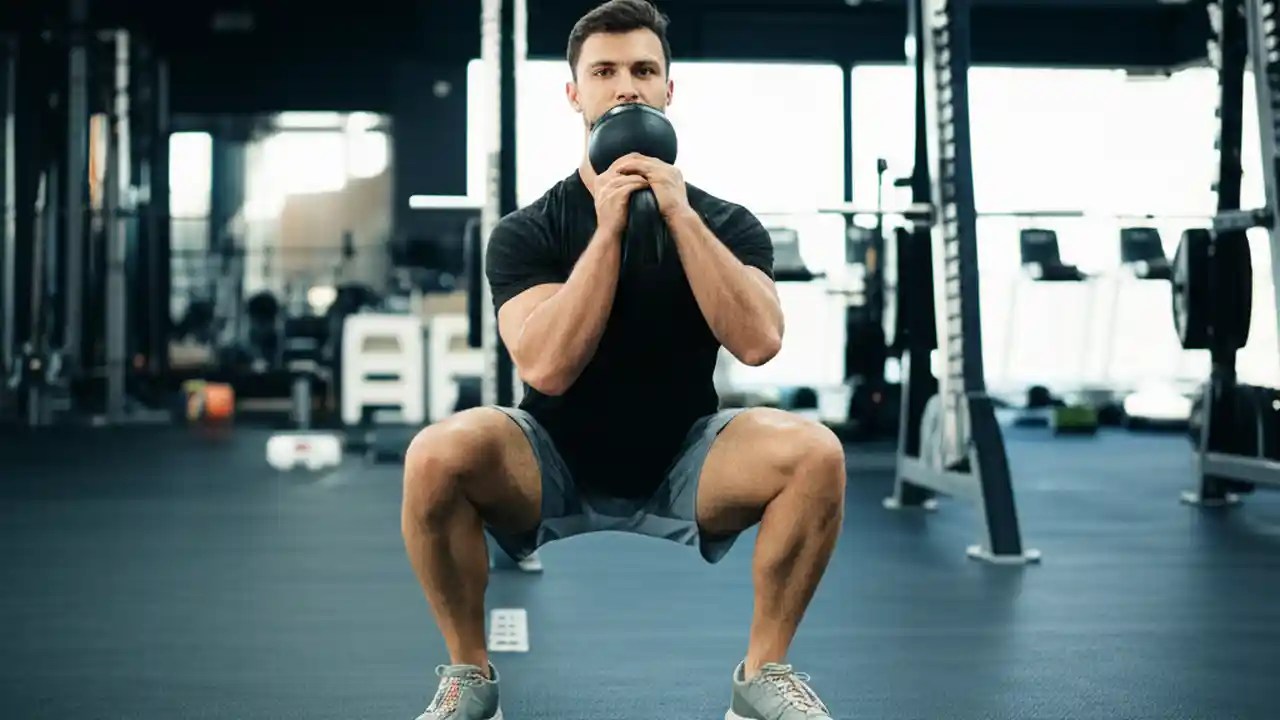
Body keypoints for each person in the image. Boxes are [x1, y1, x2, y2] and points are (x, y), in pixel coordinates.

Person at [401, 1, 846, 718]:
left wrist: (675, 213)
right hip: (551, 457)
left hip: (685, 456)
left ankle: (762, 677)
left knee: (815, 452)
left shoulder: (726, 222)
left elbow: (760, 342)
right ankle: (469, 680)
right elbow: (545, 368)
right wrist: (608, 231)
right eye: (604, 72)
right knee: (435, 455)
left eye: (644, 70)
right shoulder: (529, 232)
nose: (626, 87)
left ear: (671, 89)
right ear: (575, 93)